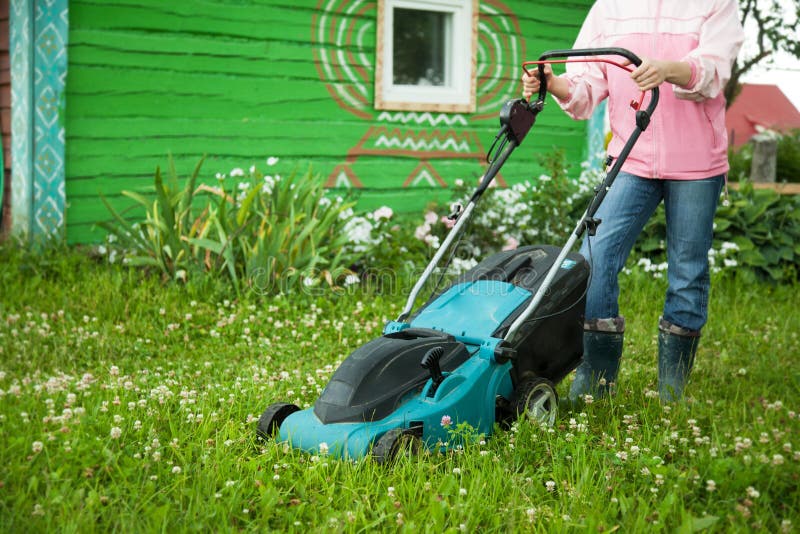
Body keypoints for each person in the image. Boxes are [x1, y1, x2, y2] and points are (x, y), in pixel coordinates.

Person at [521, 0, 744, 402]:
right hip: (632, 156)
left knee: (687, 268)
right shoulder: (610, 8)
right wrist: (551, 83)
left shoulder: (714, 3)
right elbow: (587, 86)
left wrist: (669, 69)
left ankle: (672, 385)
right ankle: (597, 379)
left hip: (696, 161)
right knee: (594, 256)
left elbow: (714, 70)